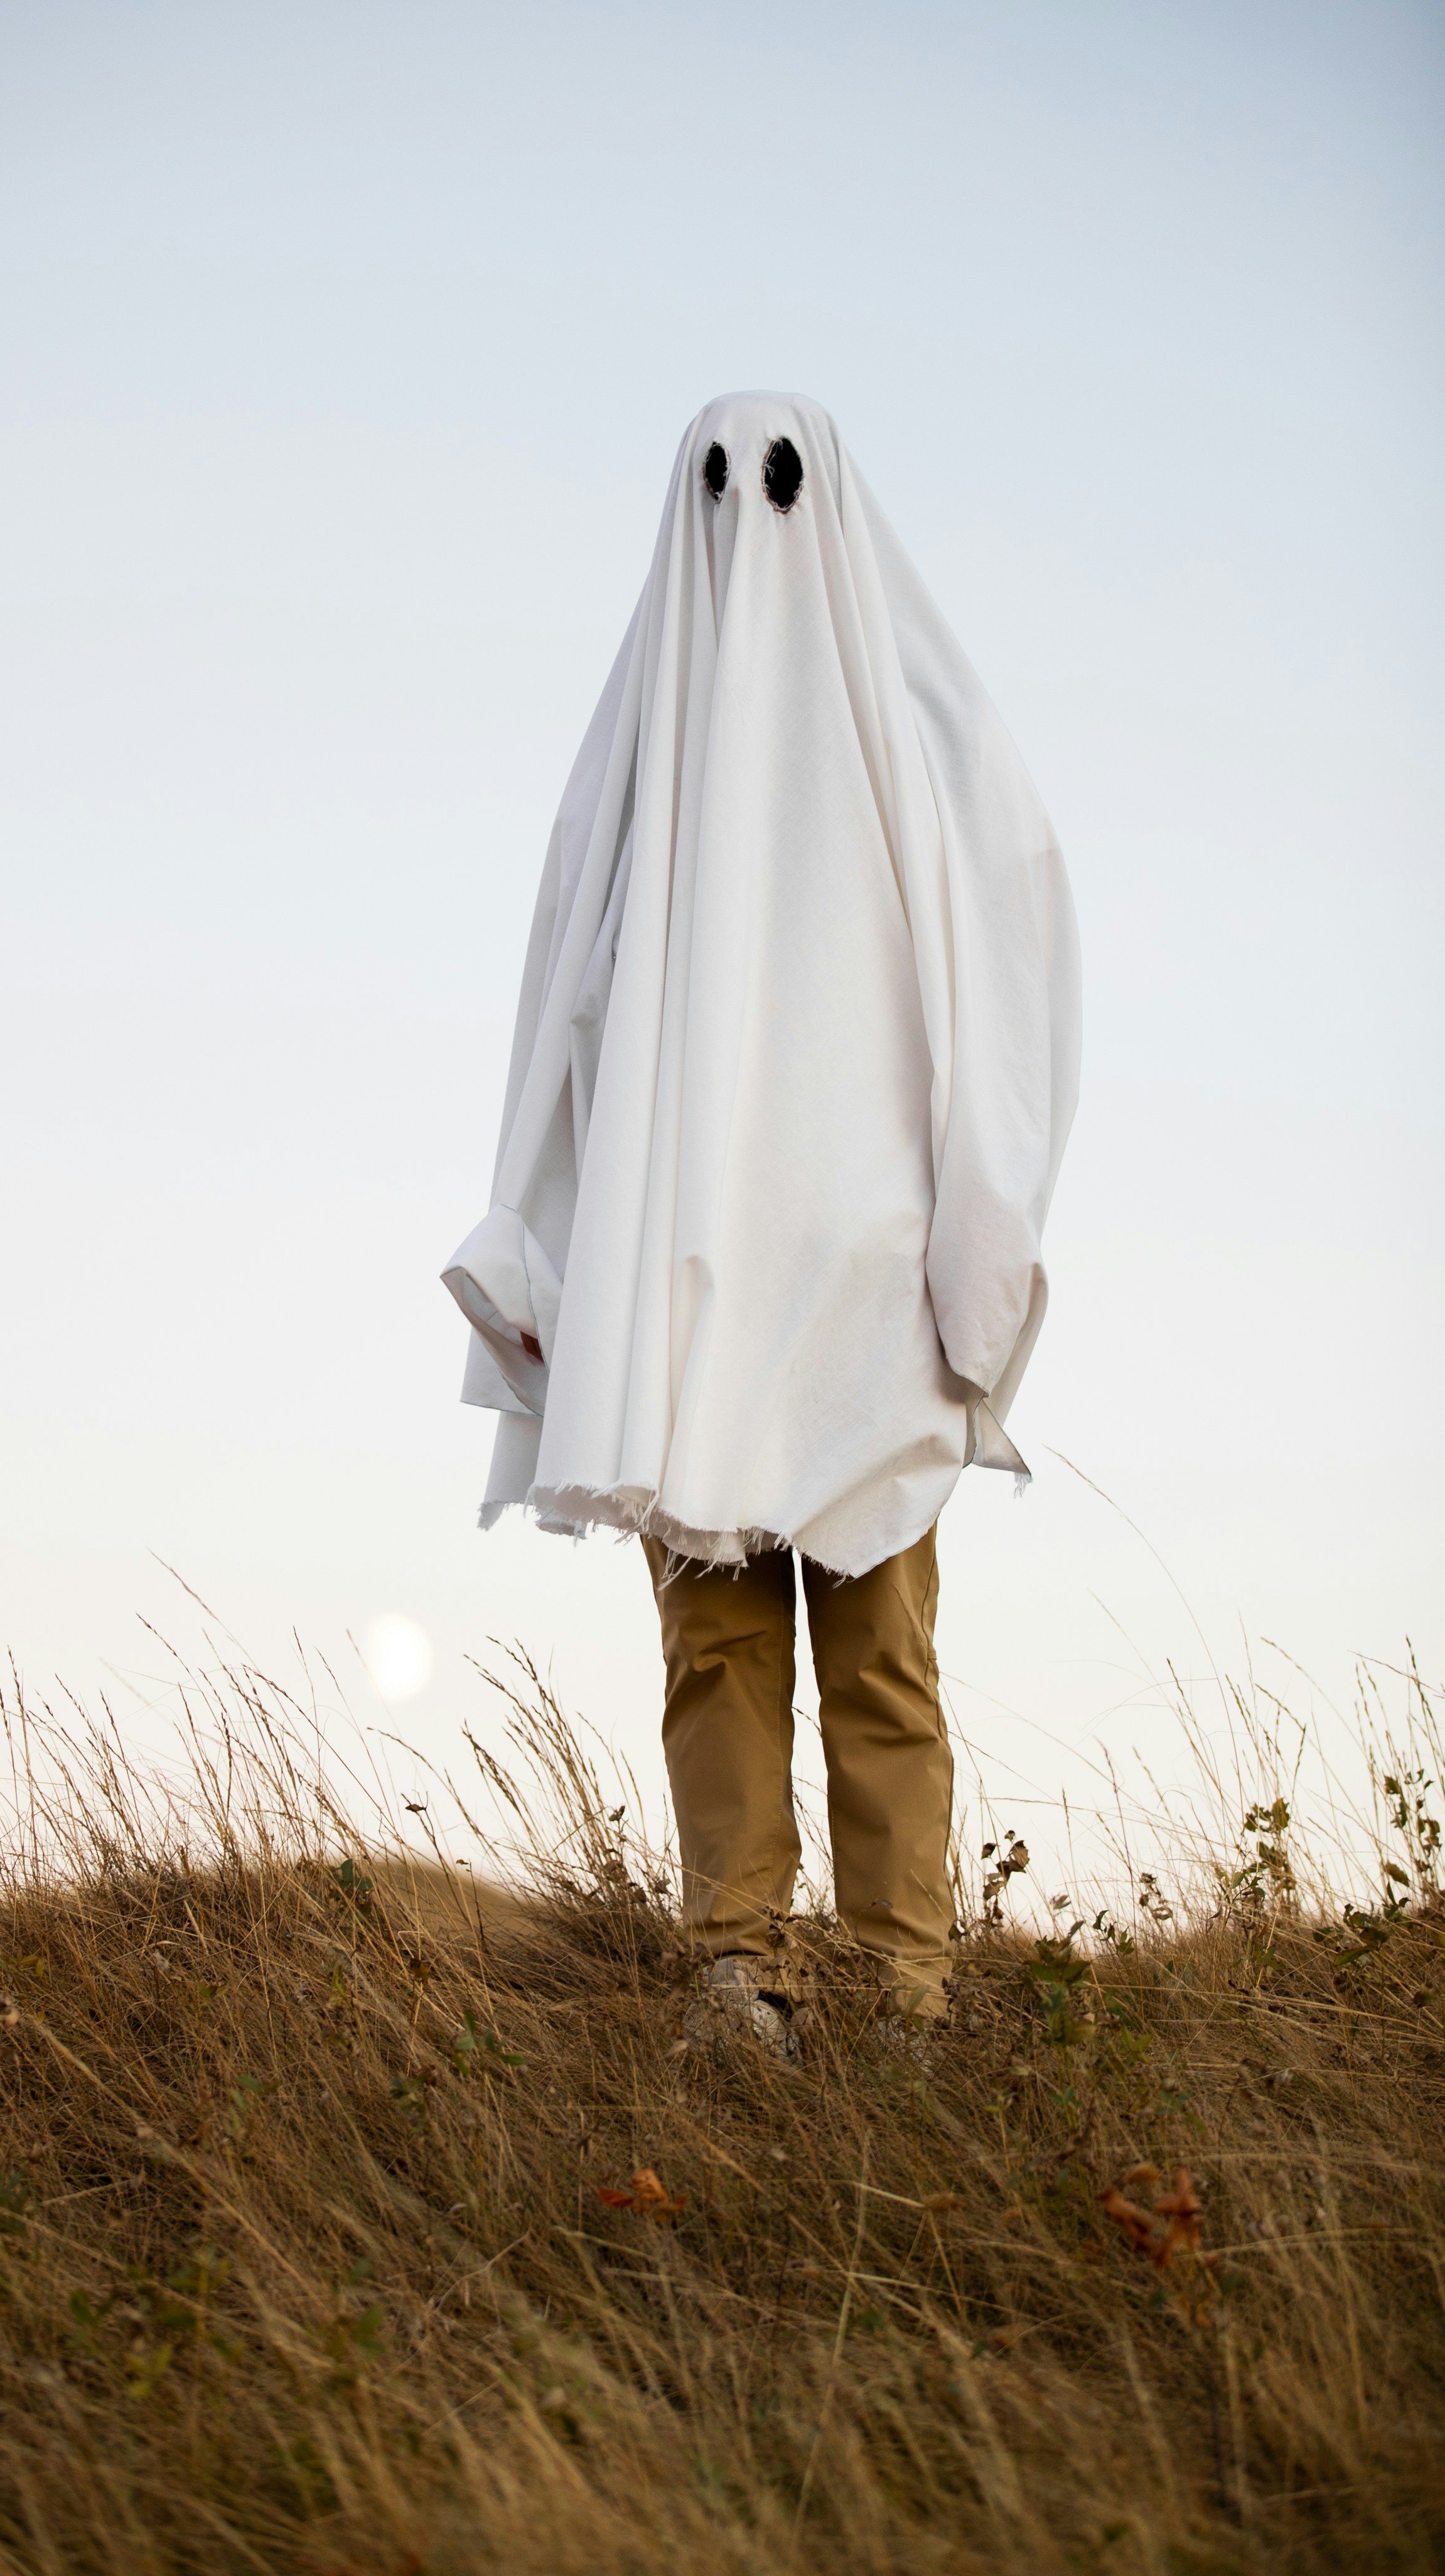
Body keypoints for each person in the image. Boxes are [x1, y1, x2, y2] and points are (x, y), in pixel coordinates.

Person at [443, 394, 1079, 2056]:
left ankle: (899, 1996)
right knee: (716, 1645)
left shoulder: (923, 757)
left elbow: (1012, 941)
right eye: (716, 484)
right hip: (692, 1281)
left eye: (779, 481)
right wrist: (545, 1251)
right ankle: (736, 1971)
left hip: (873, 1286)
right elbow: (562, 1015)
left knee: (878, 1654)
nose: (749, 514)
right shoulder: (639, 766)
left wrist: (980, 1235)